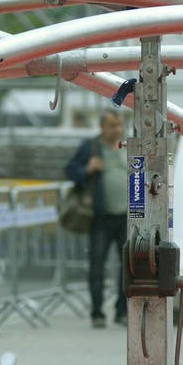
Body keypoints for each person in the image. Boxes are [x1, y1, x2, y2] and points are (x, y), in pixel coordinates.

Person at [64, 107, 128, 329]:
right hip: (100, 217)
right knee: (97, 266)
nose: (117, 129)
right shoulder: (91, 147)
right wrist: (87, 170)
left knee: (127, 266)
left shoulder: (128, 147)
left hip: (125, 217)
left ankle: (122, 311)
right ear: (102, 126)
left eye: (119, 125)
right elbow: (70, 170)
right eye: (112, 125)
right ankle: (97, 312)